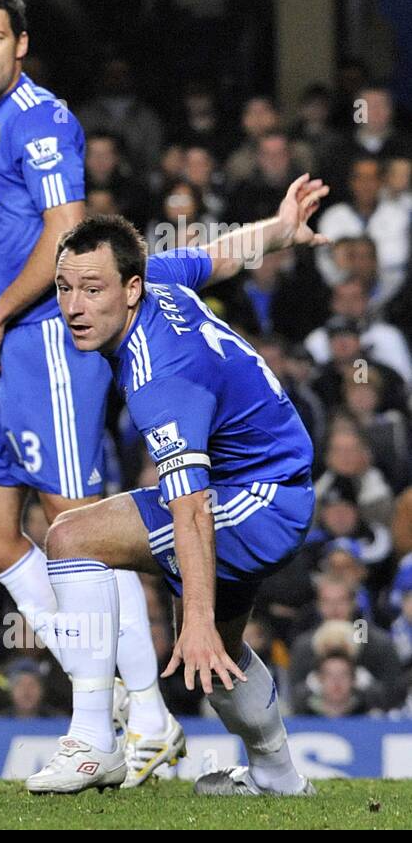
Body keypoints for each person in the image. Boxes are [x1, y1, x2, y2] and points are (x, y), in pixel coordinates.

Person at [0, 0, 178, 784]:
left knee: (77, 532)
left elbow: (65, 239)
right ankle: (124, 698)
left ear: (20, 46)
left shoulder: (41, 119)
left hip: (42, 339)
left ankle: (119, 723)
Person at [35, 173, 327, 795]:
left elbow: (190, 509)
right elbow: (220, 257)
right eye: (64, 289)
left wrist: (191, 614)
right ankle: (278, 778)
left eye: (93, 289)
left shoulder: (159, 375)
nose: (75, 306)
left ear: (129, 289)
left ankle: (92, 743)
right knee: (215, 660)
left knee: (70, 537)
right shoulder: (157, 280)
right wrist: (278, 230)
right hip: (258, 483)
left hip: (258, 497)